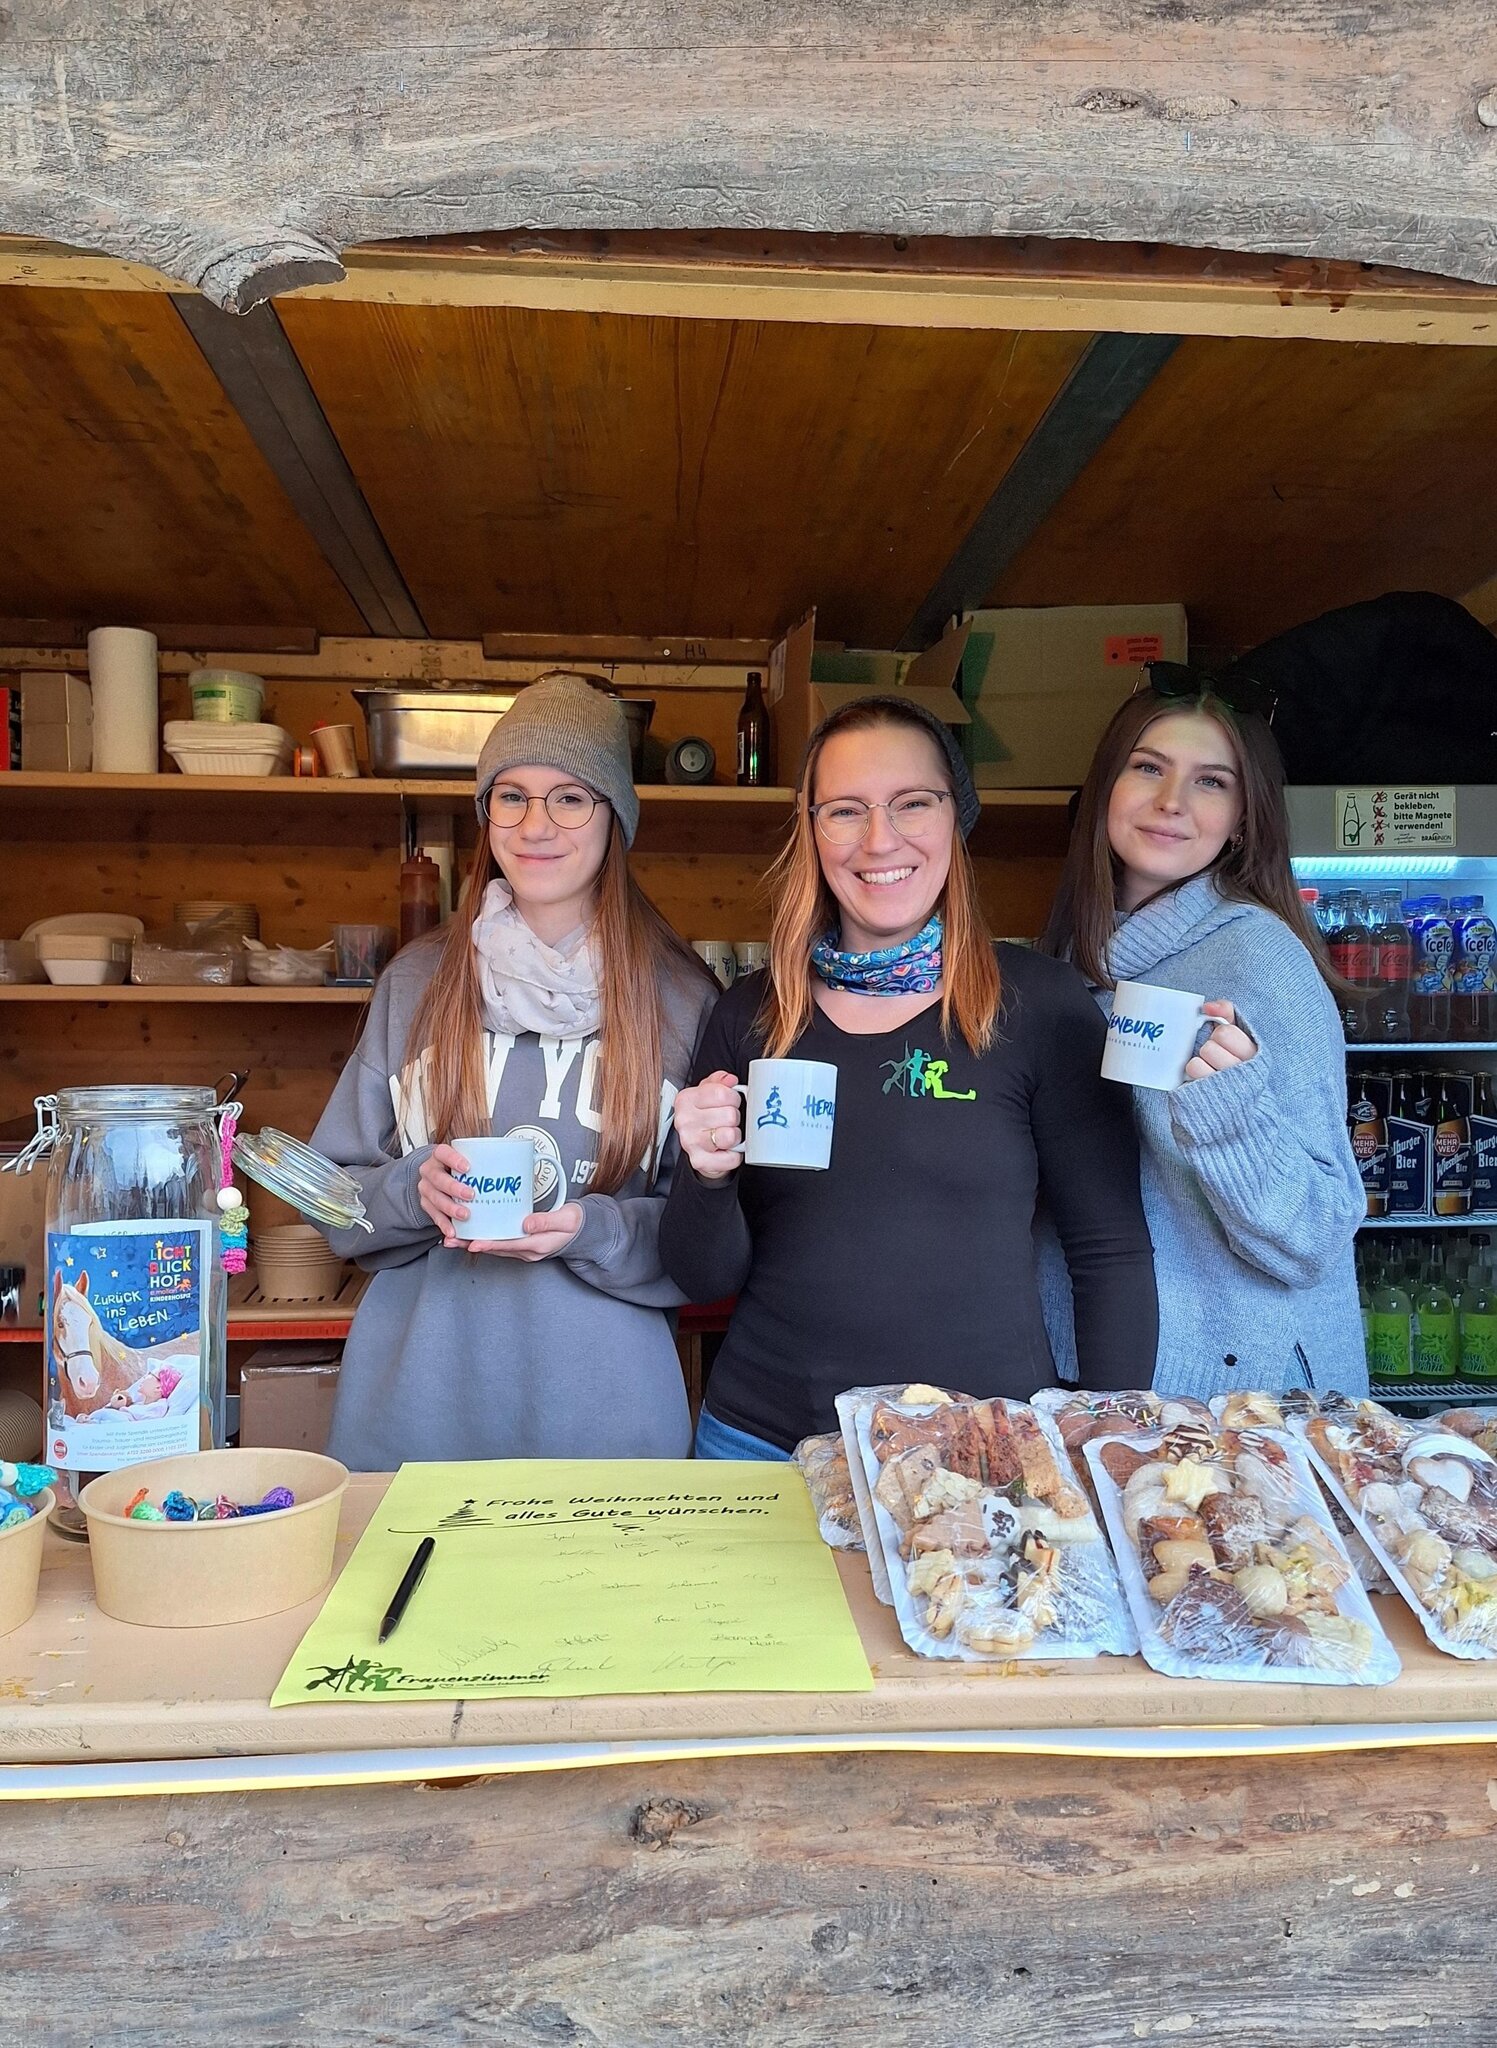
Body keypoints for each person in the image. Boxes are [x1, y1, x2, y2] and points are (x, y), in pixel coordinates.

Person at [660, 695, 1158, 1459]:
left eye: (912, 803)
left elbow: (1109, 1249)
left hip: (980, 1448)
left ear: (955, 817)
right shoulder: (752, 1013)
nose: (878, 839)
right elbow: (701, 1277)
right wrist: (707, 1172)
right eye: (845, 810)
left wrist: (1110, 1438)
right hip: (760, 1441)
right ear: (811, 829)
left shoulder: (1040, 1006)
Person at [312, 673, 716, 1468]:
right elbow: (327, 1197)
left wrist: (592, 1229)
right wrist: (412, 1191)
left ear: (614, 816)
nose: (536, 825)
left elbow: (707, 1237)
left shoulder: (682, 1001)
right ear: (485, 813)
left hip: (608, 1433)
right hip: (416, 1424)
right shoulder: (415, 983)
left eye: (569, 798)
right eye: (511, 796)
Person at [1040, 663, 1367, 1400]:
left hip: (1235, 1397)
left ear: (1243, 817)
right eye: (1147, 768)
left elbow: (1317, 1235)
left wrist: (1231, 1118)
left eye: (1210, 782)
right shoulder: (1068, 957)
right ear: (1104, 787)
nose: (1170, 802)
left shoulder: (1258, 958)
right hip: (1095, 1377)